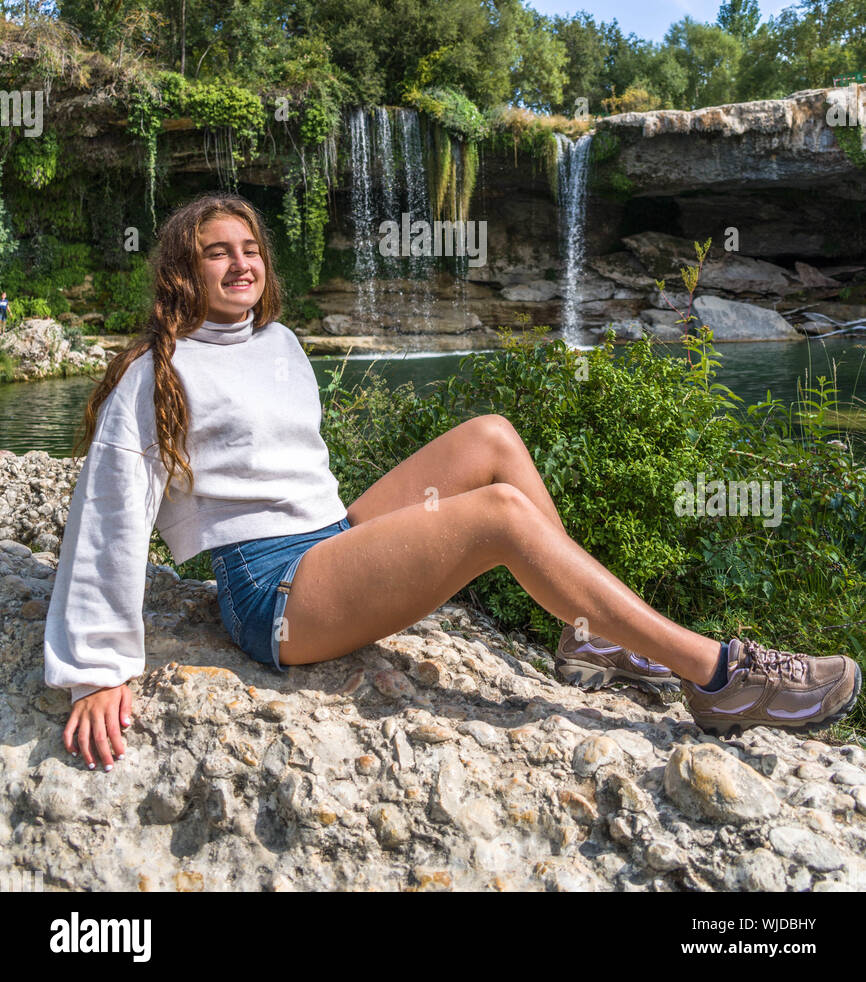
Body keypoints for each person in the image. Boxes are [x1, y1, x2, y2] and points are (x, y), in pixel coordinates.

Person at [44, 193, 862, 773]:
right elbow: (109, 510)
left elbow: (299, 478)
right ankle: (718, 676)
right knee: (498, 516)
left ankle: (589, 635)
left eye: (250, 247)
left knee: (491, 439)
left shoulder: (280, 342)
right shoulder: (159, 370)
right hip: (275, 593)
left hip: (329, 544)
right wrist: (98, 669)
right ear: (184, 268)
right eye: (217, 251)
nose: (241, 262)